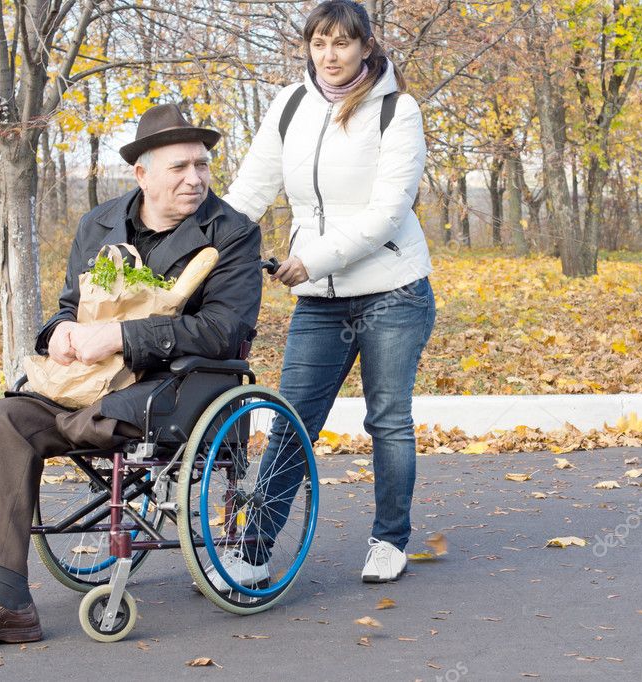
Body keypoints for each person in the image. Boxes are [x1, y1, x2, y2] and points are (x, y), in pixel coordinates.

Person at [0, 103, 263, 649]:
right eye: (179, 167)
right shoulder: (99, 224)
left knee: (108, 415)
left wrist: (126, 339)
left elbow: (226, 330)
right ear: (142, 173)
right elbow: (69, 306)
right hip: (87, 383)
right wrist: (54, 333)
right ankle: (8, 598)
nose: (195, 178)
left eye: (202, 165)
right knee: (6, 416)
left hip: (179, 386)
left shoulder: (232, 233)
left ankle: (7, 595)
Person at [220, 0, 435, 585]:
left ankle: (389, 540)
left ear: (366, 46)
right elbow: (249, 191)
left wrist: (309, 260)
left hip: (393, 292)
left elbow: (388, 214)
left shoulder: (397, 111)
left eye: (342, 43)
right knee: (292, 422)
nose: (330, 55)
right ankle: (256, 551)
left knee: (388, 420)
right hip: (318, 302)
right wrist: (201, 247)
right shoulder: (291, 105)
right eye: (319, 43)